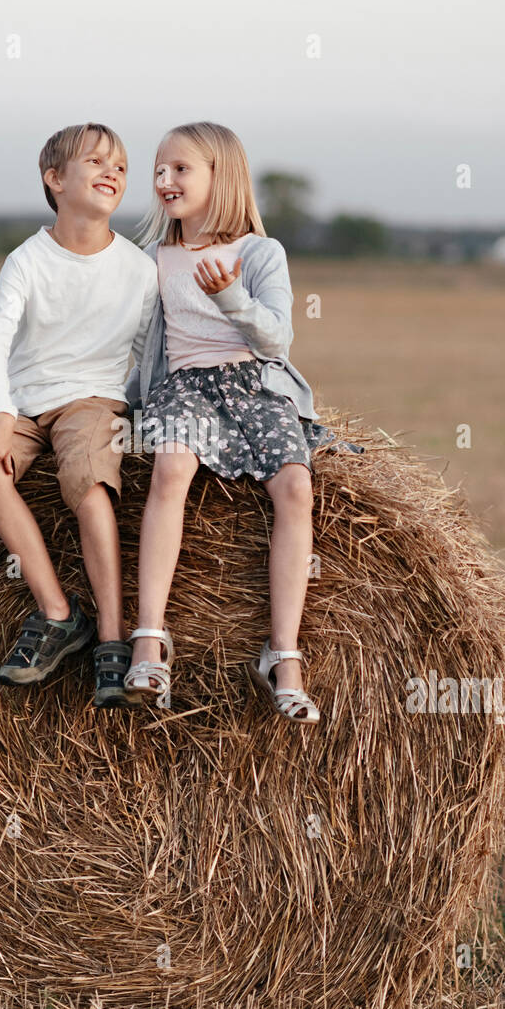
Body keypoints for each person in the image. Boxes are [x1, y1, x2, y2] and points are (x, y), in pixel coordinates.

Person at [124, 121, 334, 721]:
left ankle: (284, 656)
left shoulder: (261, 253)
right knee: (170, 471)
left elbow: (278, 336)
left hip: (254, 384)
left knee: (296, 487)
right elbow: (135, 346)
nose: (165, 180)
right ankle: (149, 640)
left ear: (223, 174)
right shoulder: (152, 259)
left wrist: (233, 297)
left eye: (180, 169)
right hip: (184, 386)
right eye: (159, 170)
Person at [0, 122, 158, 708]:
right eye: (96, 162)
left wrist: (148, 421)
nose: (112, 173)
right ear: (55, 179)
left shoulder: (138, 269)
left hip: (93, 400)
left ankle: (112, 639)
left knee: (87, 482)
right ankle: (57, 613)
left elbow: (150, 357)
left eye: (121, 167)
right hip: (25, 402)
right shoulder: (27, 260)